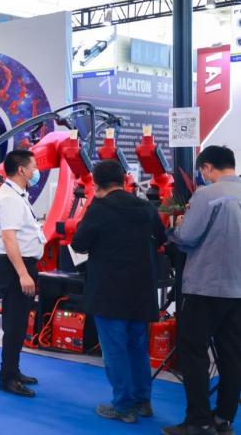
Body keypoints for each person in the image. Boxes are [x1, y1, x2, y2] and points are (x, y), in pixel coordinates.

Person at [71, 160, 166, 424]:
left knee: (115, 351)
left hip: (109, 292)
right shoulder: (146, 207)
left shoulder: (99, 208)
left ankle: (124, 406)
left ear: (96, 184)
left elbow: (79, 244)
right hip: (141, 291)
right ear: (124, 180)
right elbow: (162, 239)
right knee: (137, 348)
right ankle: (143, 401)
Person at [163, 146, 241, 435]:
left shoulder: (207, 195)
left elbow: (187, 236)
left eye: (202, 171)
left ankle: (198, 421)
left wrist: (176, 226)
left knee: (193, 352)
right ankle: (223, 419)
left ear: (208, 168)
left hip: (205, 287)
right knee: (232, 354)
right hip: (237, 290)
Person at [0, 149, 43, 397]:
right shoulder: (9, 198)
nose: (36, 171)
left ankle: (13, 369)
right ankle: (8, 377)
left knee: (20, 322)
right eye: (33, 167)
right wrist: (23, 273)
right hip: (16, 266)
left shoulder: (17, 194)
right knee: (14, 324)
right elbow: (9, 238)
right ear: (21, 170)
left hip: (21, 264)